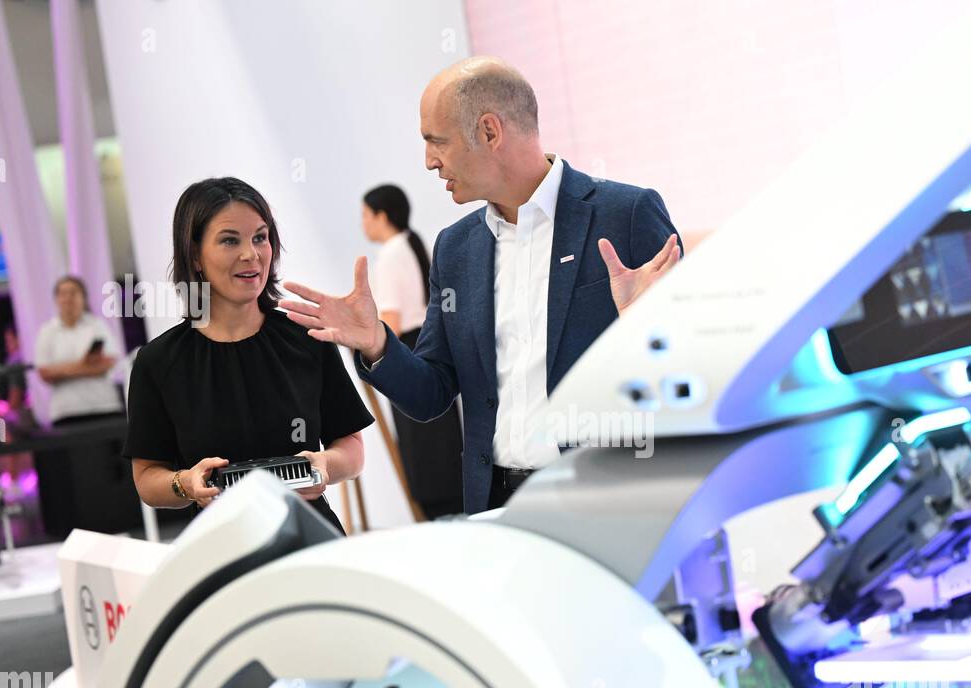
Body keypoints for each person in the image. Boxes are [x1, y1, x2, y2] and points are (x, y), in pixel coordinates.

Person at [282, 56, 681, 513]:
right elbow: (431, 393)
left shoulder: (625, 215)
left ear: (490, 132)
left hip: (610, 500)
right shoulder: (456, 248)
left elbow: (689, 376)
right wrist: (377, 345)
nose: (429, 162)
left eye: (437, 142)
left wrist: (644, 331)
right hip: (498, 505)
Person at [123, 177, 374, 535]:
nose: (251, 254)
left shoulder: (307, 337)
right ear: (195, 255)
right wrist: (186, 484)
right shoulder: (159, 362)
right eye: (230, 240)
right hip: (220, 550)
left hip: (311, 538)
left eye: (260, 237)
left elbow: (351, 448)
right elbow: (147, 479)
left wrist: (325, 466)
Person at [361, 183, 463, 517]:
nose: (362, 224)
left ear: (382, 216)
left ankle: (438, 514)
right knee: (442, 441)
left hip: (405, 348)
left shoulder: (390, 255)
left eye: (365, 215)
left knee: (423, 446)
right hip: (427, 344)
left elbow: (388, 319)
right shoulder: (410, 246)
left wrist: (366, 338)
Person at [34, 275, 123, 426]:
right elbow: (45, 373)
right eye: (63, 294)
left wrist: (61, 370)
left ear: (84, 297)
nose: (68, 298)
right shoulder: (47, 331)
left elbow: (108, 363)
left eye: (73, 293)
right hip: (66, 412)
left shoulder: (97, 325)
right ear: (56, 299)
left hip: (104, 406)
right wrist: (86, 365)